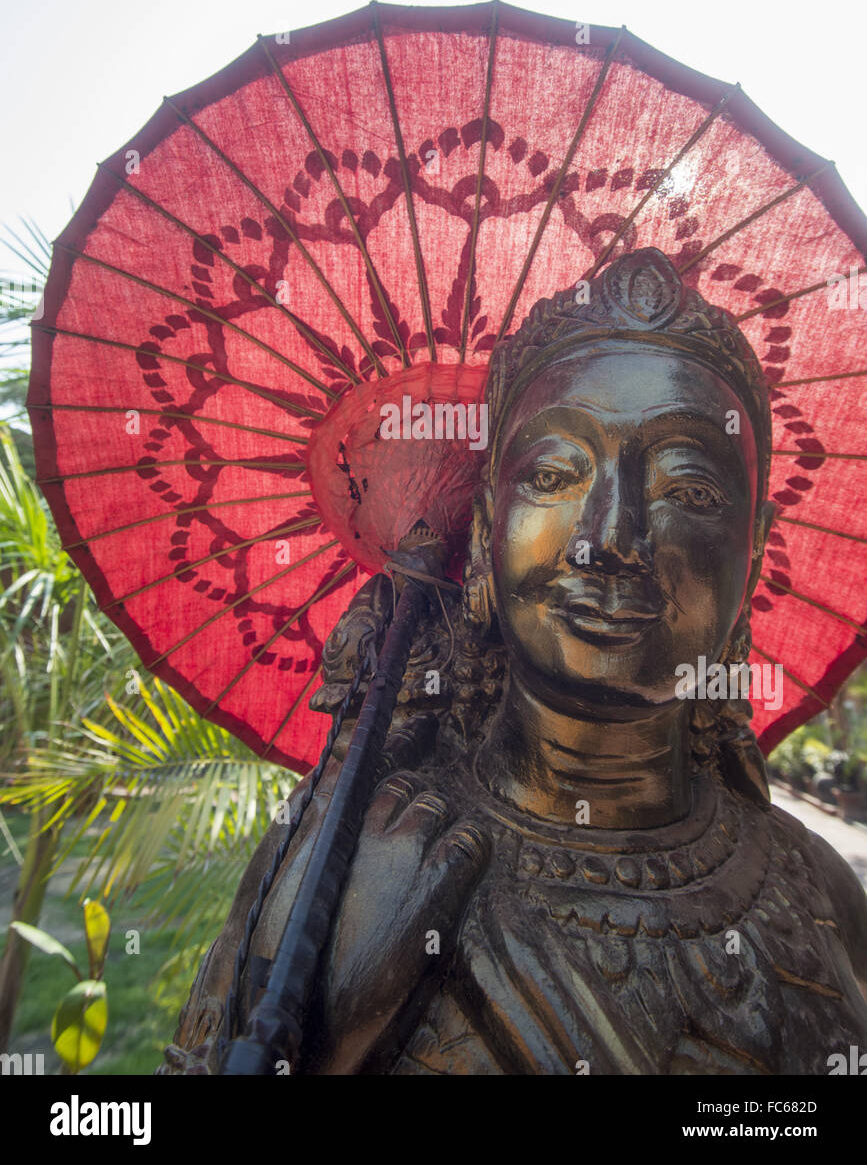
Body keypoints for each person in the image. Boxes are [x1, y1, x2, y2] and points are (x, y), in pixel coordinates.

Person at [161, 248, 867, 1075]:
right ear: (487, 529)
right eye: (555, 474)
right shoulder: (346, 864)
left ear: (747, 566)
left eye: (688, 490)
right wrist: (318, 1032)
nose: (610, 539)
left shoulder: (813, 888)